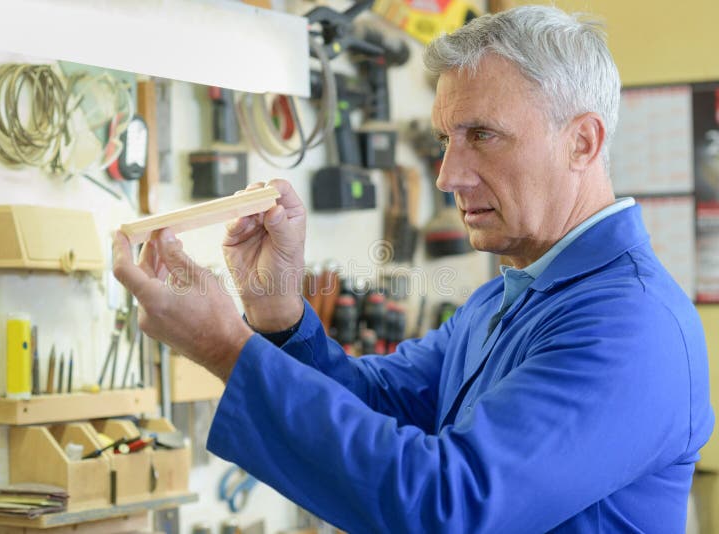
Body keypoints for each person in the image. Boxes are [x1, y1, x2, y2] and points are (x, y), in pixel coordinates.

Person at [113, 5, 713, 533]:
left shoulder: (628, 326)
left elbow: (448, 506)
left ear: (582, 142)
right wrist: (275, 310)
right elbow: (374, 402)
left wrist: (224, 345)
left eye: (482, 135)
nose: (448, 174)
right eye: (446, 138)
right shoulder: (508, 296)